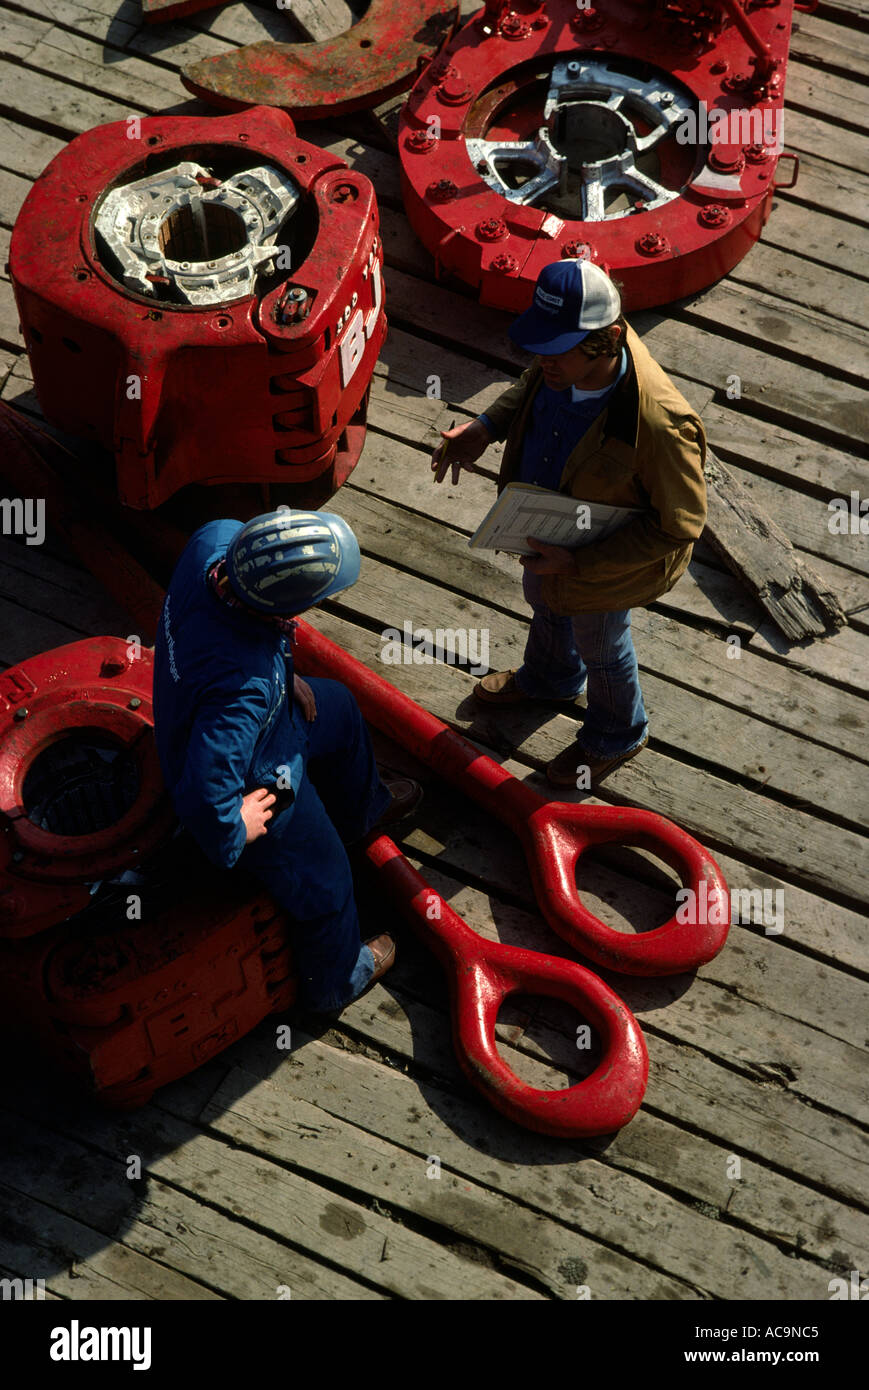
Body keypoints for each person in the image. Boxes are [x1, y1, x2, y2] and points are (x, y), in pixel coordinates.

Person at [432, 259, 707, 786]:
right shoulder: (560, 364)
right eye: (539, 344)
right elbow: (532, 382)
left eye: (555, 349)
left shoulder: (660, 426)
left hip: (605, 566)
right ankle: (552, 678)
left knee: (601, 646)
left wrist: (579, 562)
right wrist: (487, 426)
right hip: (548, 530)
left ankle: (617, 732)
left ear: (610, 339)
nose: (541, 359)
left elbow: (681, 525)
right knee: (544, 601)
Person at [153, 509, 420, 1014]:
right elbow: (204, 787)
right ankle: (337, 982)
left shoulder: (215, 538)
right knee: (328, 879)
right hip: (254, 777)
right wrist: (234, 826)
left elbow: (259, 628)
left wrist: (284, 673)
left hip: (236, 700)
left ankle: (361, 814)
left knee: (337, 706)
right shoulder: (243, 692)